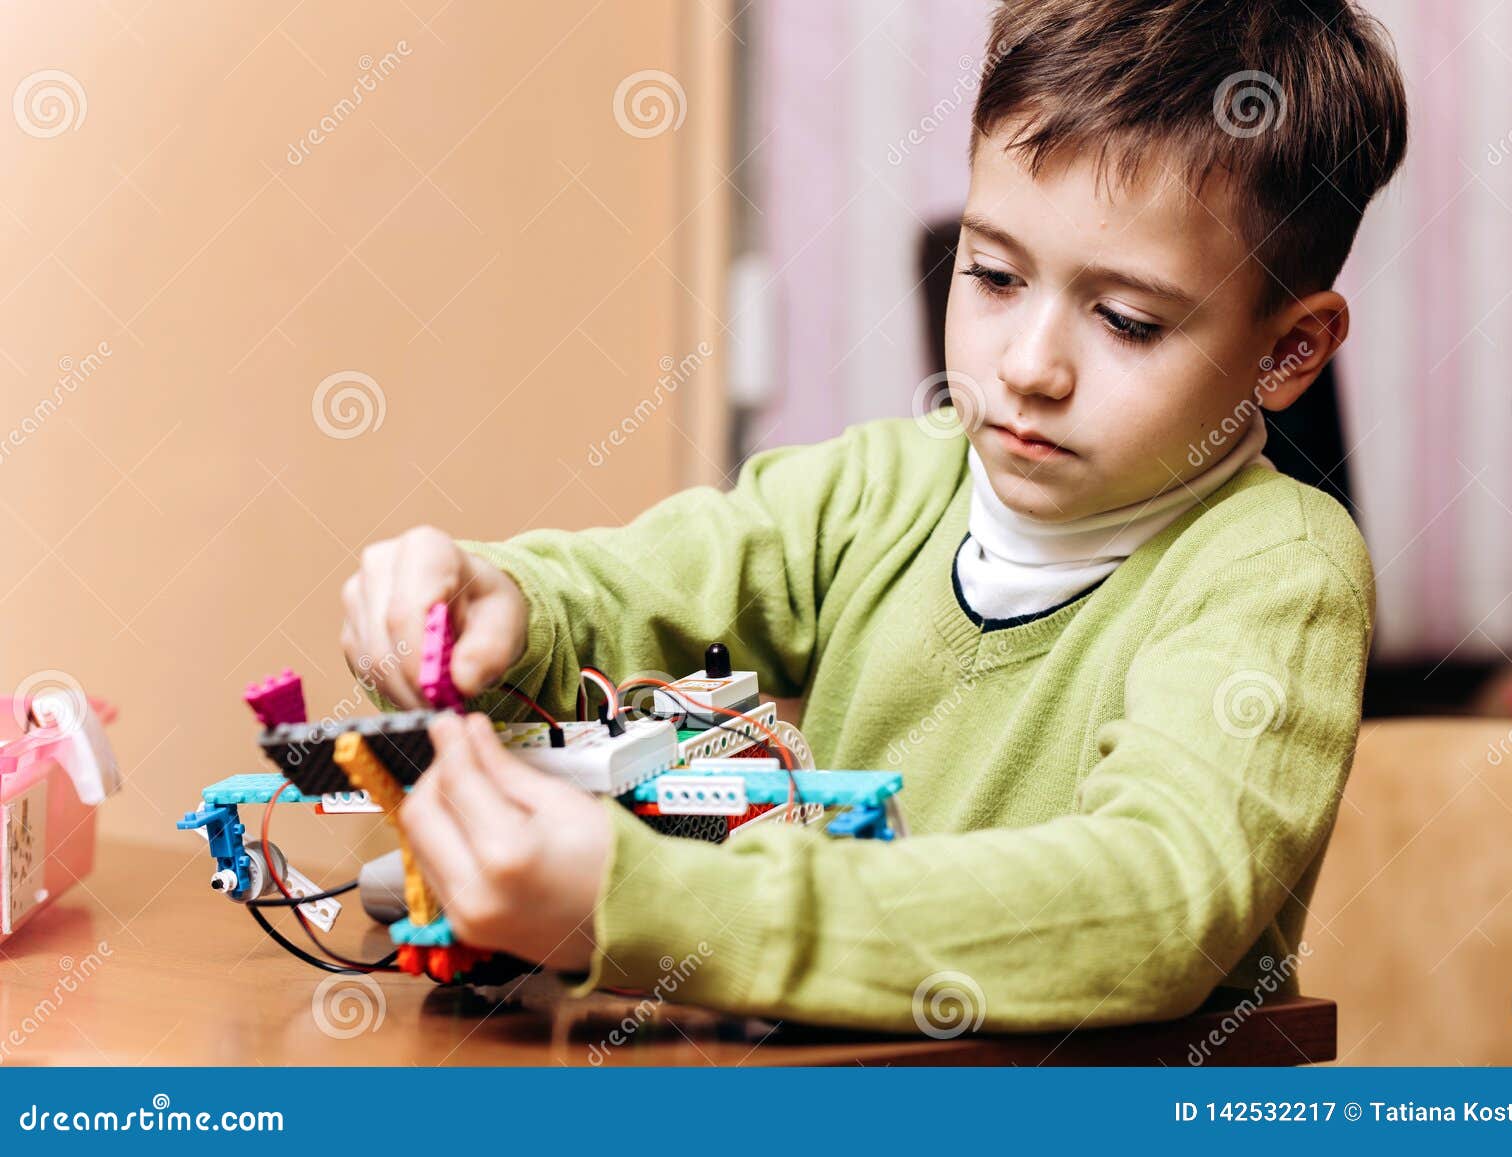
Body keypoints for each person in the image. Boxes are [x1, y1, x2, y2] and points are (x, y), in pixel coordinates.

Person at [340, 0, 1407, 1031]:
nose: (1028, 367)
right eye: (991, 274)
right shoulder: (874, 492)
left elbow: (1158, 903)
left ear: (1288, 351)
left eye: (1126, 321)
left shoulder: (1276, 570)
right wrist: (501, 599)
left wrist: (661, 904)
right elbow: (621, 592)